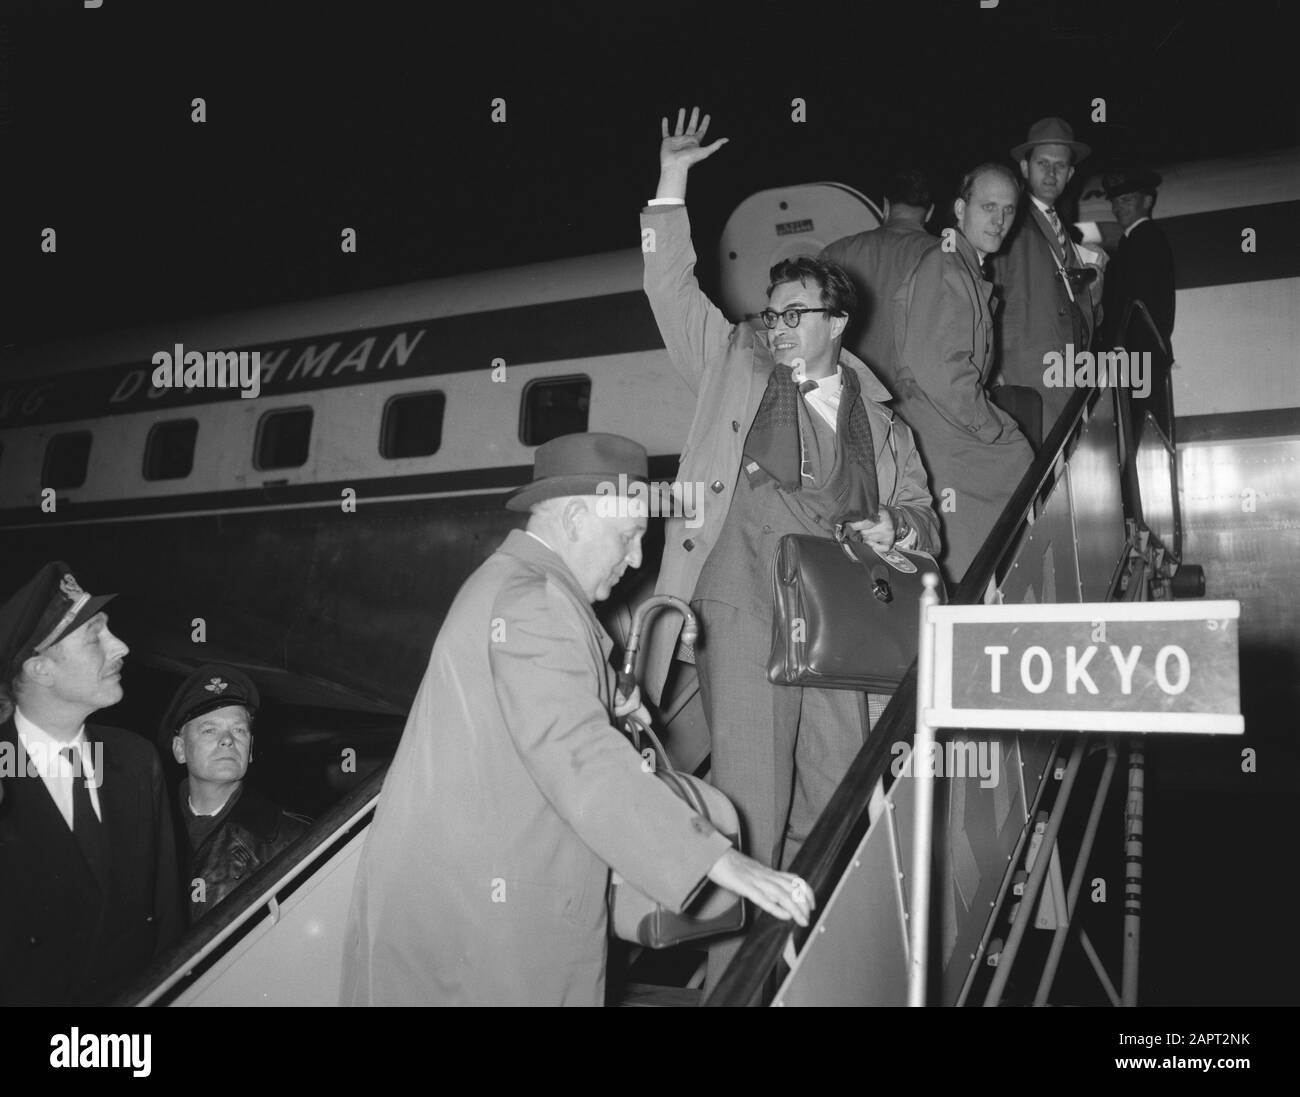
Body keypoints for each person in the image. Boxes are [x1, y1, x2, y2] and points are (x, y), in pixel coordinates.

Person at [340, 432, 813, 1006]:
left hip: (466, 912)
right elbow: (580, 755)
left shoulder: (510, 583)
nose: (638, 559)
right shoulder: (538, 603)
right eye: (630, 535)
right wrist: (718, 859)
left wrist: (607, 688)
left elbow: (529, 703)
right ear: (576, 518)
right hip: (489, 935)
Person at [640, 108, 940, 982]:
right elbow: (670, 290)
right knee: (752, 811)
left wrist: (899, 528)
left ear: (836, 322)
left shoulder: (881, 418)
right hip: (743, 606)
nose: (776, 326)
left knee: (835, 797)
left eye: (794, 314)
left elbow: (924, 518)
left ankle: (815, 971)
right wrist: (671, 183)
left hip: (842, 615)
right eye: (771, 313)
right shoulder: (733, 359)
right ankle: (733, 980)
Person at [0, 562, 180, 1005]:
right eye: (94, 635)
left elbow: (168, 919)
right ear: (41, 670)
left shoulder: (136, 761)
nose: (120, 647)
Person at [889, 163, 1035, 587]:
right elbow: (944, 372)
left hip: (945, 429)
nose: (999, 220)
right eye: (988, 206)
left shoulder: (962, 265)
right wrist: (994, 428)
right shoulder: (946, 266)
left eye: (1008, 210)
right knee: (1018, 474)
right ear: (959, 208)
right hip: (947, 434)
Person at [160, 663, 310, 925]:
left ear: (250, 750)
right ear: (180, 749)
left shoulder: (293, 840)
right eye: (210, 730)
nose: (228, 740)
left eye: (239, 730)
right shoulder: (143, 828)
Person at [988, 116, 1098, 439]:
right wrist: (996, 373)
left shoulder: (1063, 231)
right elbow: (987, 299)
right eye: (1042, 163)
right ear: (1025, 168)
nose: (1051, 173)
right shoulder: (1009, 221)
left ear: (1070, 174)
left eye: (1059, 166)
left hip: (1066, 386)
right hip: (1026, 387)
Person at [820, 168, 938, 392]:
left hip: (855, 395)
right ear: (930, 212)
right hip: (922, 399)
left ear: (885, 206)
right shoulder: (949, 257)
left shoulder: (836, 253)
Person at [1101, 166, 1176, 440]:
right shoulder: (1136, 241)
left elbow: (1127, 306)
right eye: (1115, 201)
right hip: (1139, 358)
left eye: (1127, 199)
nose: (1118, 207)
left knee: (1137, 434)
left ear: (1147, 201)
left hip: (1137, 358)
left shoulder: (1143, 241)